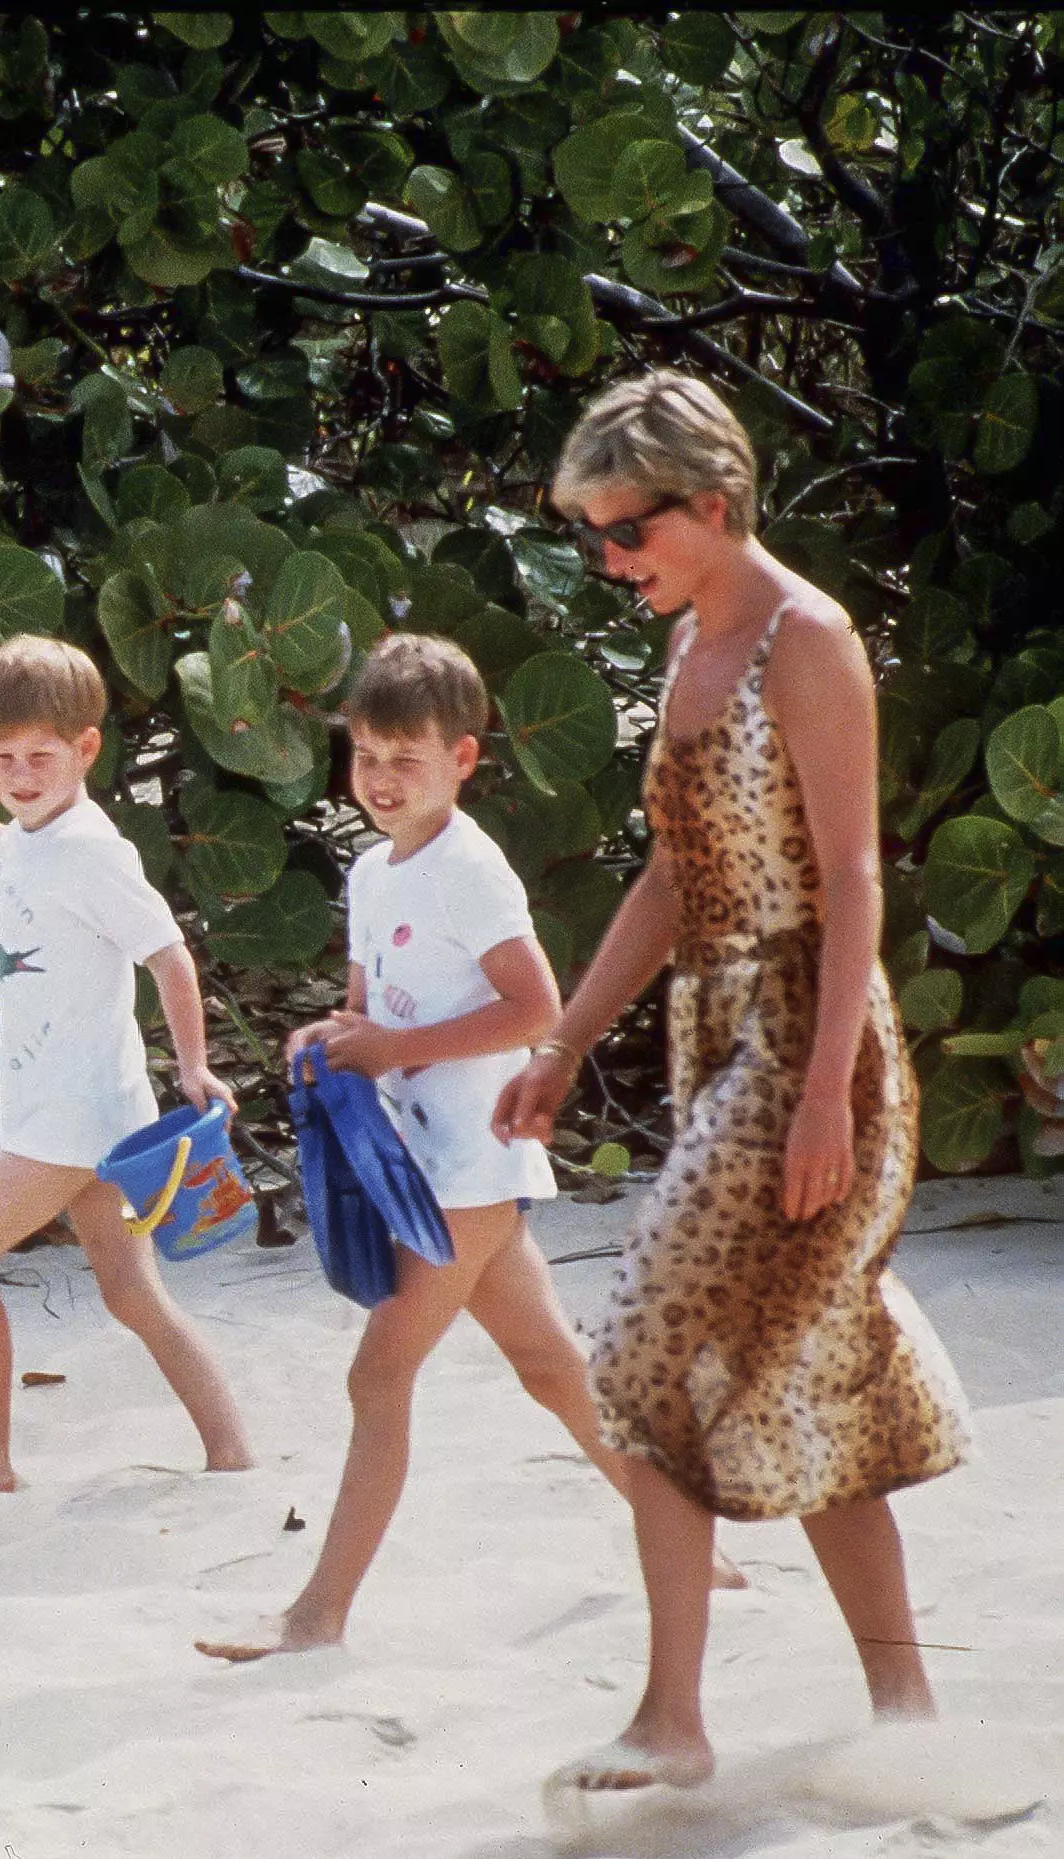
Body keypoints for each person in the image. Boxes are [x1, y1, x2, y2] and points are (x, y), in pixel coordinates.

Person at [494, 370, 971, 1791]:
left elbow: (851, 877)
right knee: (819, 1372)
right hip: (718, 1038)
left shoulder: (806, 638)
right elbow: (670, 872)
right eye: (591, 535)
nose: (609, 559)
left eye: (625, 530)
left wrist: (826, 1092)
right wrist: (567, 1040)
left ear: (712, 503)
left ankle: (673, 1718)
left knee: (637, 1361)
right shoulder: (694, 637)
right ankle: (910, 1720)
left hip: (809, 1039)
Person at [197, 634, 737, 1665]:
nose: (381, 779)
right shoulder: (367, 867)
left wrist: (394, 1045)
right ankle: (690, 1542)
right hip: (420, 1158)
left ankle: (316, 1613)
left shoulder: (470, 868)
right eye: (364, 756)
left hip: (473, 1160)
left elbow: (536, 1005)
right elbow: (367, 1007)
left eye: (407, 758)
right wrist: (330, 1035)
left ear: (462, 759)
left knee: (375, 1376)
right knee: (548, 1367)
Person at [0, 634, 253, 1493]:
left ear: (86, 749)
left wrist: (193, 1066)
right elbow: (3, 848)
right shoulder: (42, 833)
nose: (20, 774)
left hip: (73, 1115)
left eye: (41, 756)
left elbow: (169, 954)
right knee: (129, 1292)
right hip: (82, 1106)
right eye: (2, 757)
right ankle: (231, 1450)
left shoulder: (95, 852)